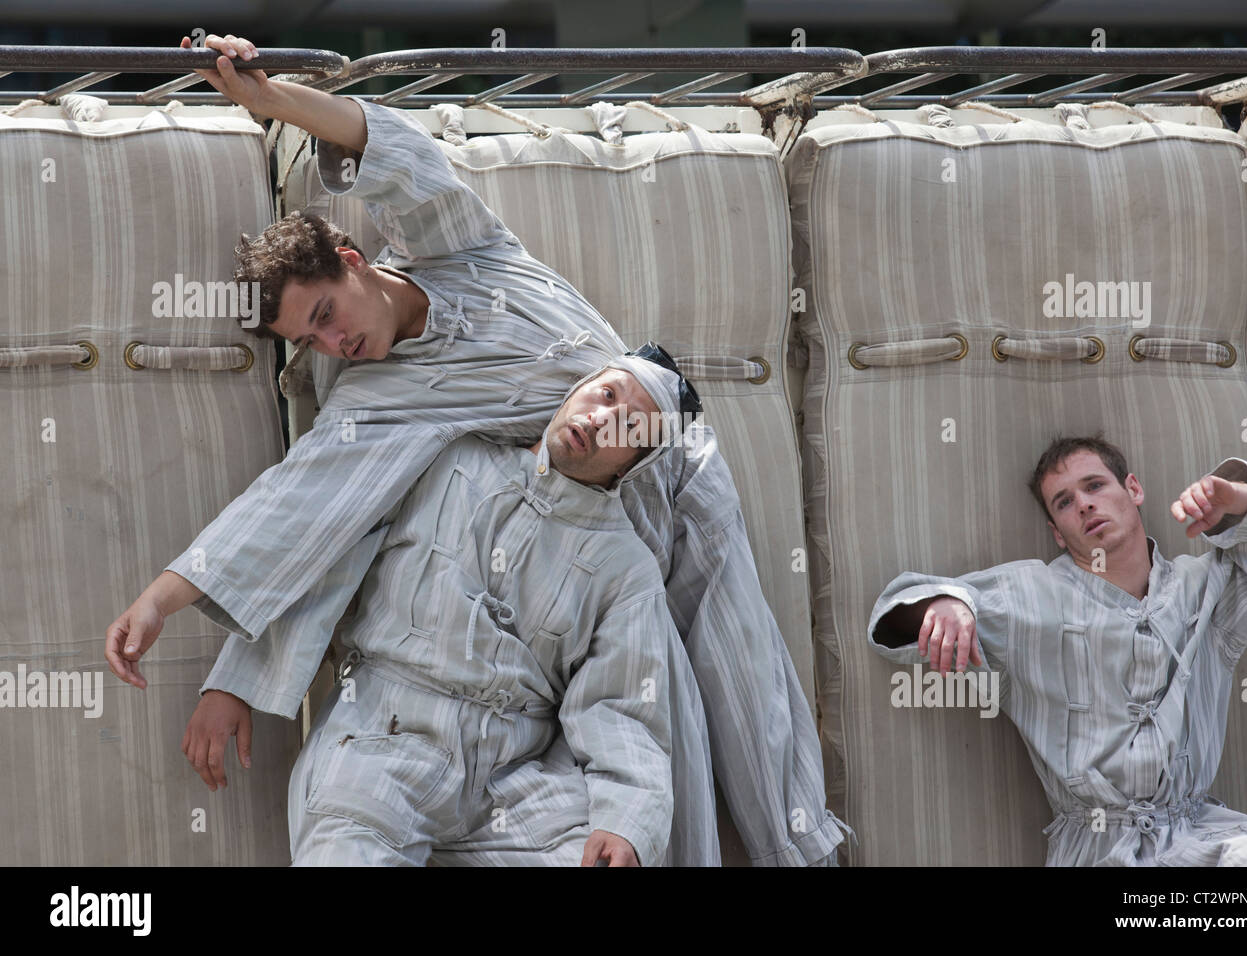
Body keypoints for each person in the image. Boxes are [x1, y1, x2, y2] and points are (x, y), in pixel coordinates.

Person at [104, 33, 846, 866]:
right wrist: (163, 602)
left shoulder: (466, 251)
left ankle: (802, 850)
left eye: (325, 313)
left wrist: (270, 99)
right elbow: (302, 512)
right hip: (581, 529)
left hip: (665, 447)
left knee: (744, 676)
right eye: (307, 340)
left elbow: (397, 156)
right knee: (655, 717)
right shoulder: (375, 401)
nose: (333, 341)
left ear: (352, 261)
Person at [181, 352, 712, 866]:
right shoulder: (449, 460)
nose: (600, 421)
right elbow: (327, 561)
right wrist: (236, 681)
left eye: (629, 428)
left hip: (514, 775)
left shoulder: (626, 567)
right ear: (579, 387)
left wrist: (625, 819)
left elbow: (620, 705)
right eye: (606, 394)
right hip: (378, 739)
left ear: (635, 462)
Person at [868, 435, 1247, 866]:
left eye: (1094, 486)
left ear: (1133, 489)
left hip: (1205, 837)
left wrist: (1242, 500)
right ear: (1057, 533)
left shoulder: (1206, 589)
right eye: (1063, 501)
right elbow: (890, 621)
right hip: (1097, 848)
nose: (1084, 504)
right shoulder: (1029, 596)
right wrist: (946, 603)